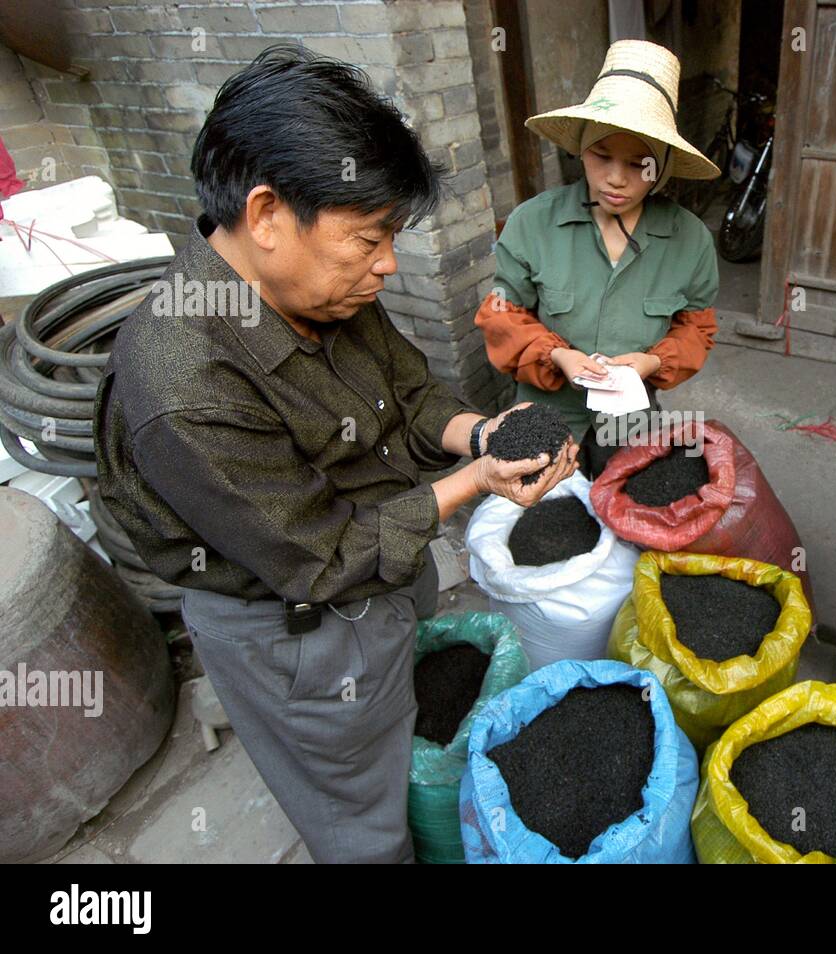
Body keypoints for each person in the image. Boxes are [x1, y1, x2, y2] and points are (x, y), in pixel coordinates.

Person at [94, 46, 577, 863]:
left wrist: (483, 435)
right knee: (358, 812)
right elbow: (318, 558)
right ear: (268, 215)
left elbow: (413, 390)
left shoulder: (317, 288)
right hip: (296, 624)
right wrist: (474, 482)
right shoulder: (182, 378)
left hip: (384, 555)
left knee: (408, 704)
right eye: (369, 238)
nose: (388, 263)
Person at [475, 39, 721, 476]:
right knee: (539, 520)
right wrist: (556, 356)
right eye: (601, 156)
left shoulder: (691, 241)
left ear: (662, 167)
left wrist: (654, 362)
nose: (614, 179)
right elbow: (500, 314)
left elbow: (697, 328)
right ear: (581, 149)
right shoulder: (531, 223)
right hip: (546, 416)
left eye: (638, 164)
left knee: (628, 525)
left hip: (630, 424)